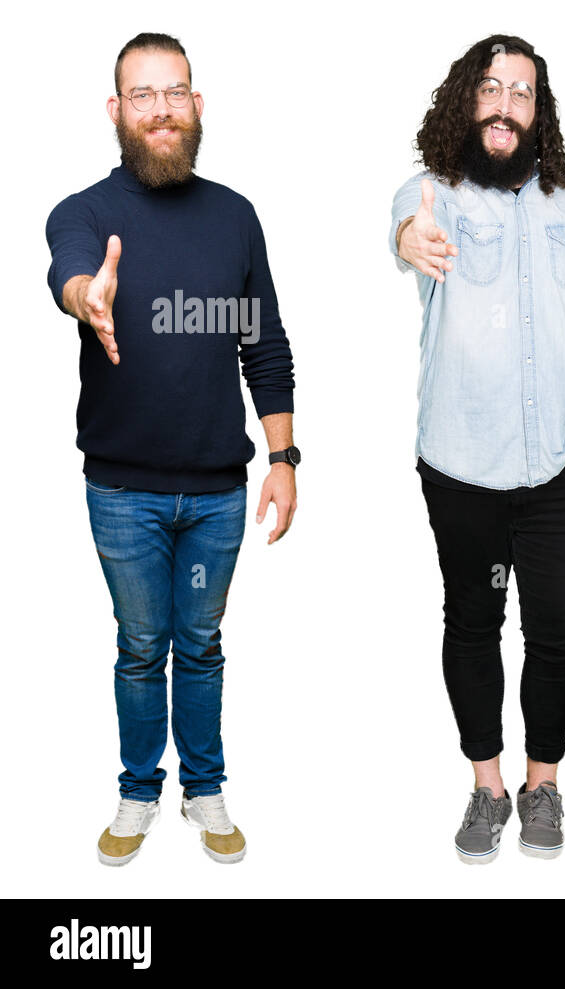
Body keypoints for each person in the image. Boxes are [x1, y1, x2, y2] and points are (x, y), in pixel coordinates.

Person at [45, 32, 298, 866]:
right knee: (139, 645)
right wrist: (90, 297)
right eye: (143, 95)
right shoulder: (84, 213)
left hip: (220, 492)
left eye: (175, 92)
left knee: (202, 645)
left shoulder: (235, 216)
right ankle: (136, 790)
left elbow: (263, 346)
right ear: (117, 111)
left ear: (197, 104)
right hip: (124, 495)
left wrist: (285, 460)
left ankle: (206, 787)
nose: (161, 109)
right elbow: (73, 275)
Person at [389, 34, 565, 863]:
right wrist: (406, 241)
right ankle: (487, 786)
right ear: (467, 99)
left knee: (558, 629)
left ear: (538, 112)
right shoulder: (434, 193)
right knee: (474, 621)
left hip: (562, 465)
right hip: (461, 465)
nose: (503, 104)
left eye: (520, 93)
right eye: (489, 88)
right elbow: (406, 232)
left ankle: (543, 782)